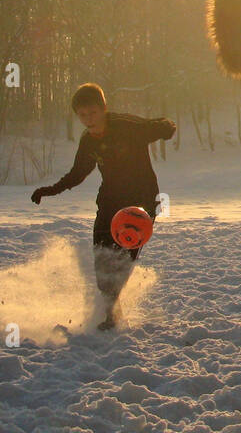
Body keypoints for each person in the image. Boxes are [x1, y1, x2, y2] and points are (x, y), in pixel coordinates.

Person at [30, 84, 175, 329]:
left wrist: (166, 128)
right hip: (109, 201)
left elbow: (160, 124)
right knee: (102, 255)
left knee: (123, 257)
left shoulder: (126, 126)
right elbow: (77, 174)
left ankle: (111, 314)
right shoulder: (88, 141)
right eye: (83, 115)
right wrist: (49, 190)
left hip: (139, 204)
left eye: (93, 113)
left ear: (104, 108)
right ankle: (110, 309)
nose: (89, 120)